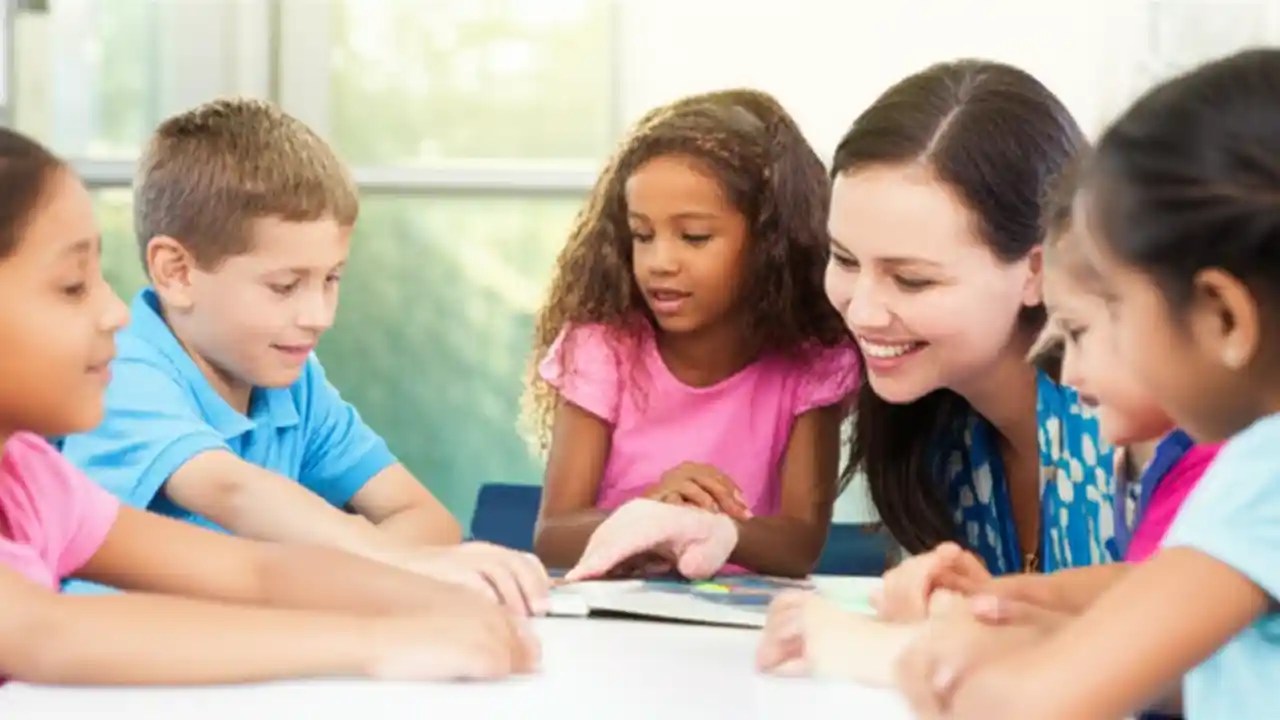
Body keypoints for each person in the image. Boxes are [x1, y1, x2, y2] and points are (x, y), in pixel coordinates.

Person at [0, 127, 537, 684]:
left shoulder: (33, 480)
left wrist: (431, 596)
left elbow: (256, 569)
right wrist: (379, 637)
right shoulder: (134, 373)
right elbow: (49, 633)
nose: (115, 311)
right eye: (71, 286)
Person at [896, 48, 1280, 720]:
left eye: (1116, 308)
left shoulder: (1265, 472)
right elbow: (1199, 653)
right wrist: (1019, 609)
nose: (1072, 363)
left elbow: (1040, 706)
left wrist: (941, 668)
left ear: (1223, 317)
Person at [526, 89, 857, 579]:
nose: (660, 262)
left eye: (695, 236)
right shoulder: (601, 348)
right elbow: (553, 535)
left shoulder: (812, 364)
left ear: (770, 243)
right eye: (642, 235)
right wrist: (651, 517)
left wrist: (706, 529)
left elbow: (799, 546)